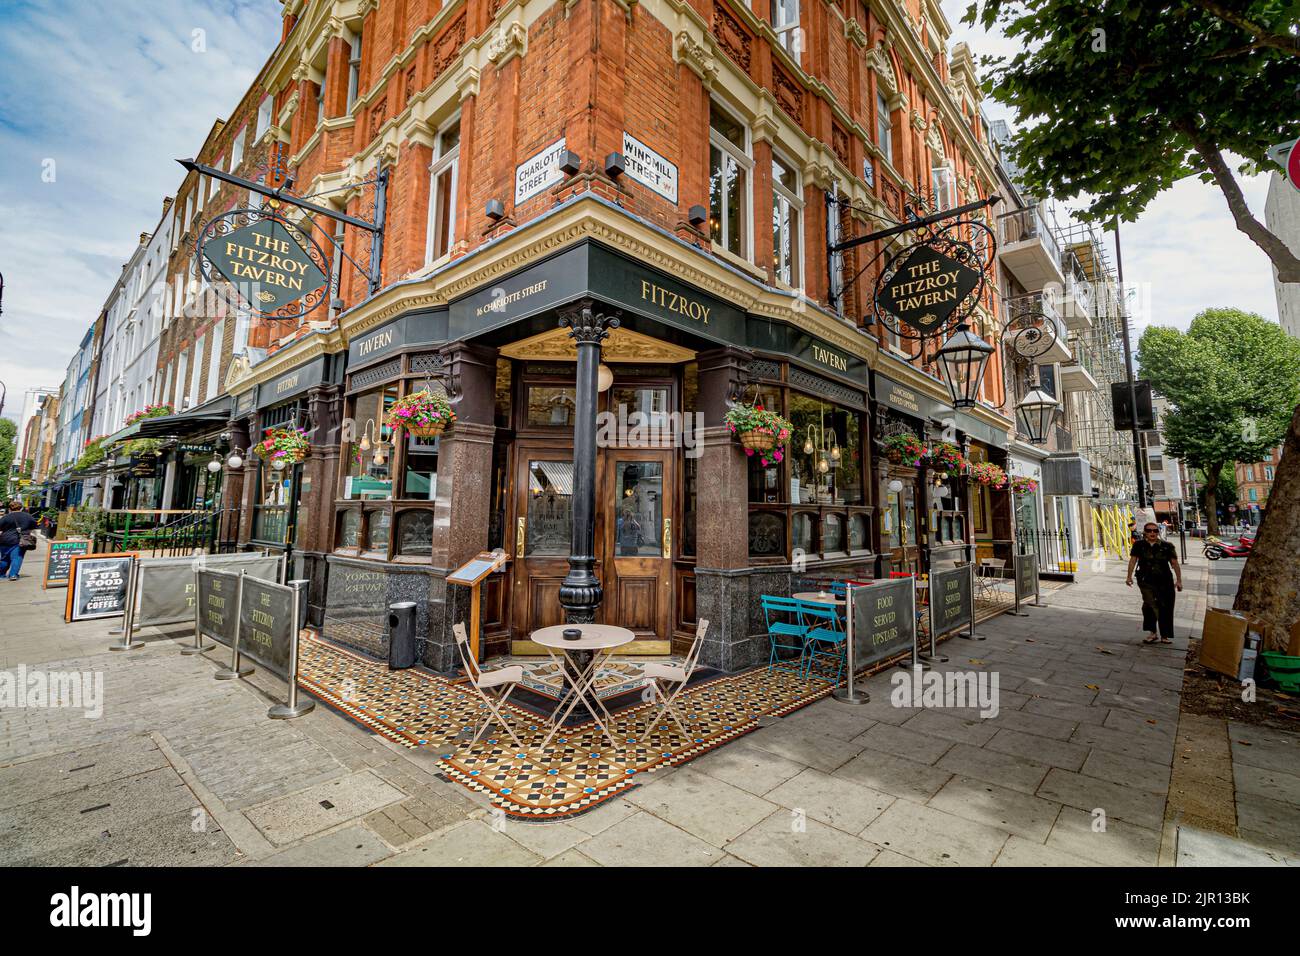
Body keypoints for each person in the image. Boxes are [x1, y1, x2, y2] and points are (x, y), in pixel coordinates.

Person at [1126, 521, 1182, 644]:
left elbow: (1174, 564)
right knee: (1150, 603)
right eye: (1149, 530)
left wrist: (1179, 580)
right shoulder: (1139, 545)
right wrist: (1129, 576)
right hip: (1145, 580)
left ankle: (1164, 635)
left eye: (1155, 531)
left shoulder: (1167, 546)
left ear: (1158, 532)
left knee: (1166, 606)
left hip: (1164, 580)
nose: (1152, 533)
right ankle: (1153, 632)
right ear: (1145, 532)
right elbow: (1133, 561)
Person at [0, 500, 39, 581]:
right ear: (21, 508)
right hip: (20, 540)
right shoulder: (28, 516)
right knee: (17, 557)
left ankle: (2, 574)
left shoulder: (5, 517)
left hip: (5, 540)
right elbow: (35, 525)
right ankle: (13, 574)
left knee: (4, 558)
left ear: (10, 508)